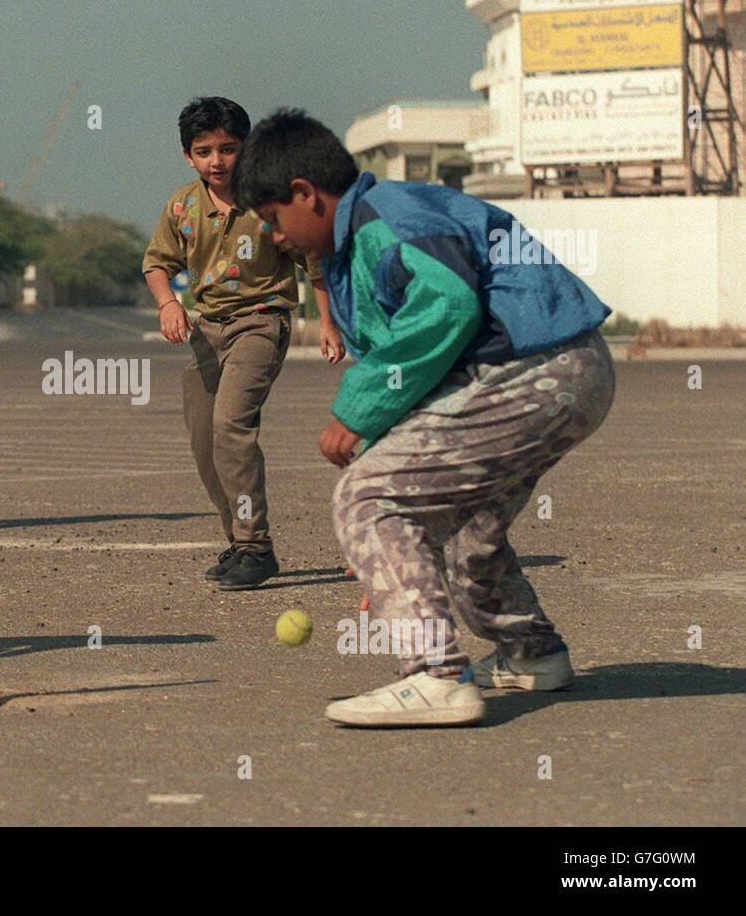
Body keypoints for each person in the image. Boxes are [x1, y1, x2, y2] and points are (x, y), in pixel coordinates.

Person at [233, 108, 615, 727]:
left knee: (368, 497)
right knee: (465, 526)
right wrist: (393, 568)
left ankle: (435, 677)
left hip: (533, 368)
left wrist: (357, 413)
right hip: (565, 371)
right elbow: (414, 368)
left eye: (275, 221)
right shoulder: (357, 242)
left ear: (306, 194)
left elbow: (446, 306)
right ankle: (531, 653)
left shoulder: (389, 219)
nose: (276, 237)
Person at [143, 97, 344, 591]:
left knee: (232, 424)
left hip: (260, 322)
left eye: (229, 148)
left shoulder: (267, 204)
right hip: (206, 330)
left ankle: (256, 546)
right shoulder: (181, 206)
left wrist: (327, 323)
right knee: (205, 442)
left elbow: (313, 260)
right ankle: (237, 538)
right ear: (188, 156)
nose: (218, 161)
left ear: (246, 148)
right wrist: (169, 304)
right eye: (204, 150)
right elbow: (156, 264)